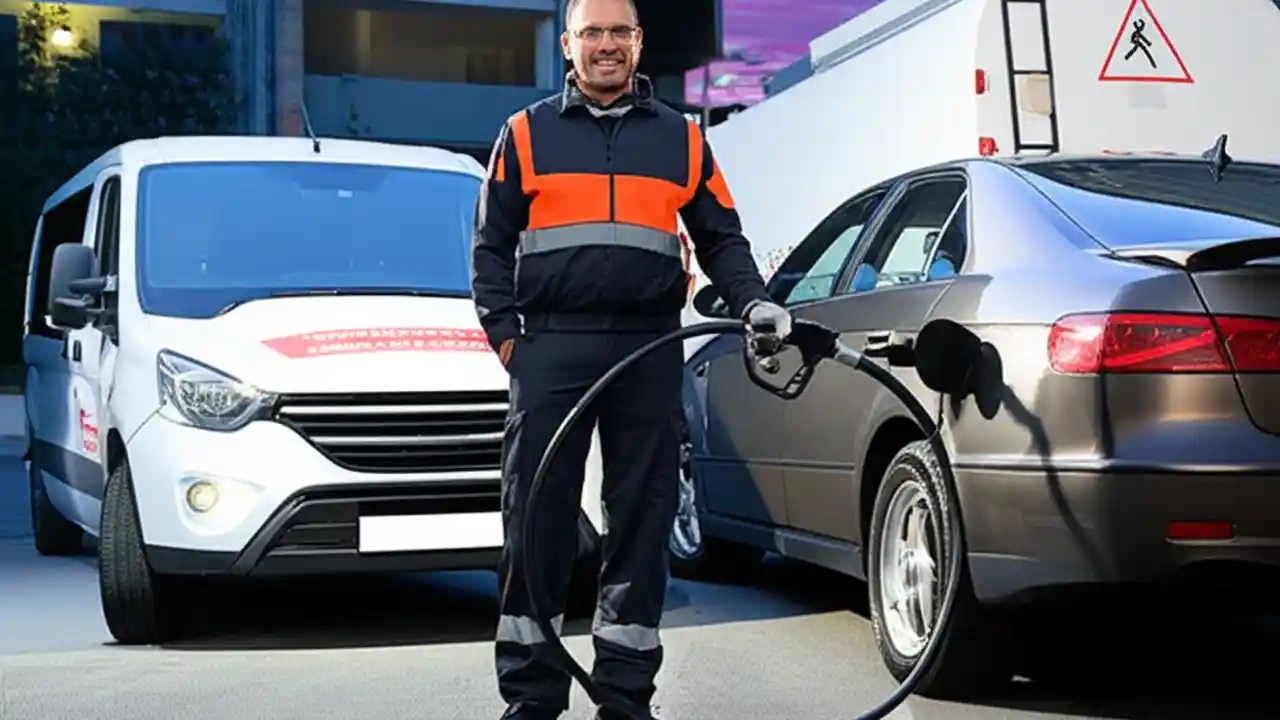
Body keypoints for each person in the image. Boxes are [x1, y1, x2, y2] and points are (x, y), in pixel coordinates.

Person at [471, 0, 792, 717]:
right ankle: (532, 697)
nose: (607, 45)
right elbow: (490, 246)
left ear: (640, 43)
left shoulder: (681, 137)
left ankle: (624, 695)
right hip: (551, 347)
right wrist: (508, 339)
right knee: (536, 518)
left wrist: (753, 302)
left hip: (648, 345)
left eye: (620, 32)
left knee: (641, 518)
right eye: (593, 33)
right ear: (568, 46)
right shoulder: (524, 134)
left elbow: (721, 239)